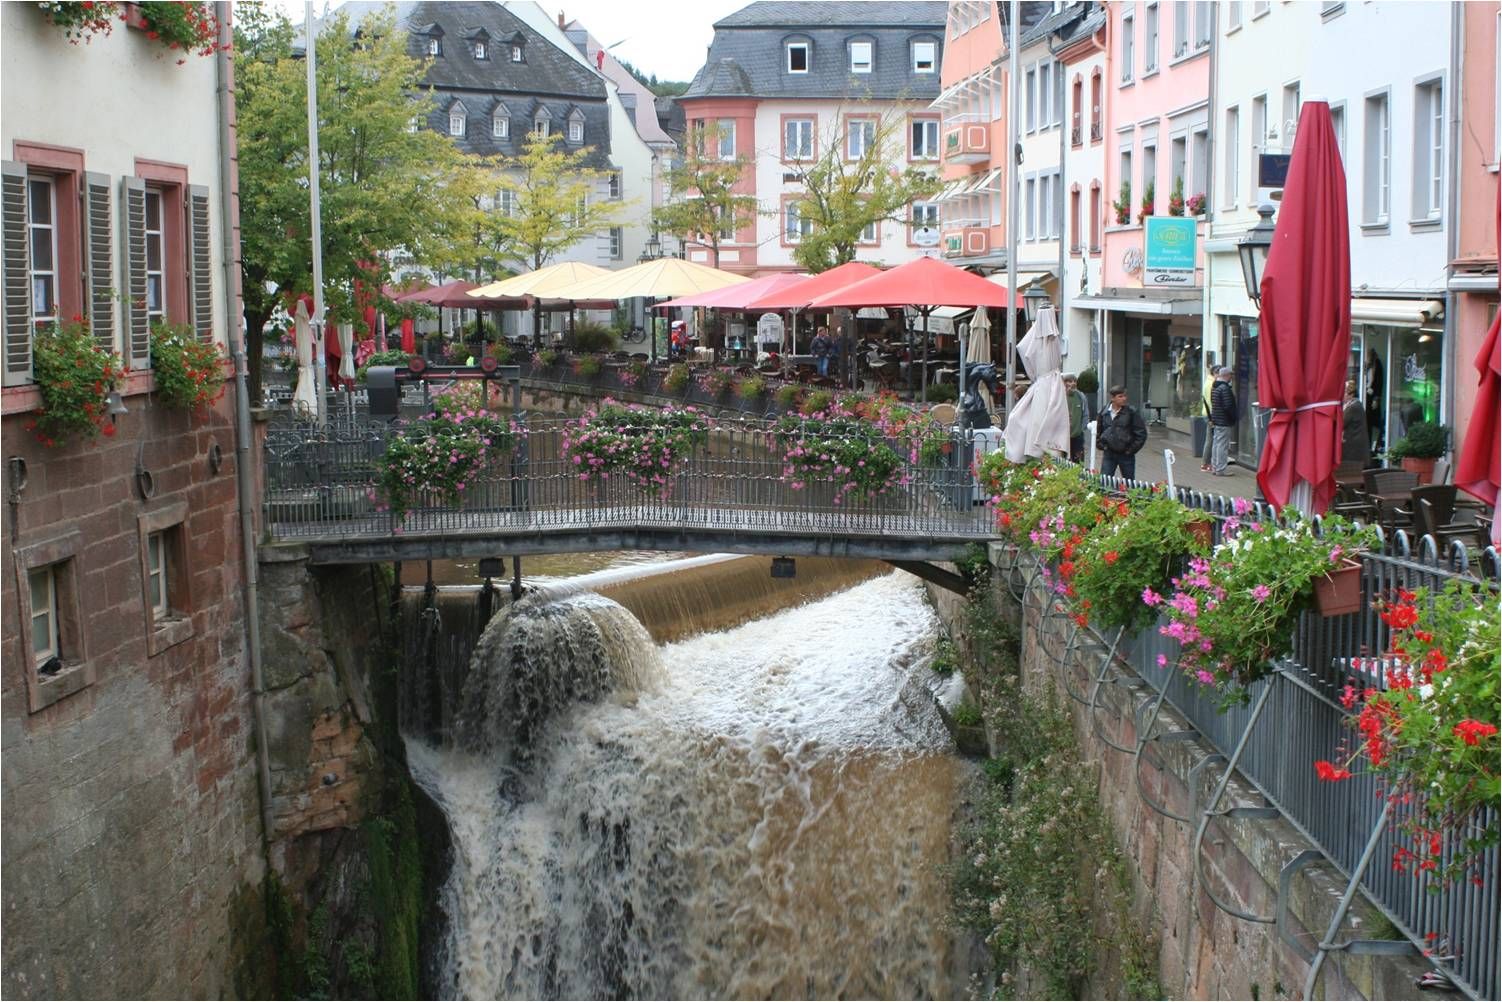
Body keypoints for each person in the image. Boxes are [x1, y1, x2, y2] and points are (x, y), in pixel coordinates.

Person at [1096, 384, 1148, 480]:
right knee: (1104, 481)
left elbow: (1141, 433)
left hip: (1126, 454)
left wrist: (1130, 450)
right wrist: (1100, 444)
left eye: (1125, 396)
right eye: (1120, 396)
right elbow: (1099, 429)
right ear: (1112, 398)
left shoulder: (1131, 412)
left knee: (1129, 483)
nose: (1124, 398)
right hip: (1109, 453)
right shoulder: (1104, 412)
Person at [1208, 366, 1237, 476]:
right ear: (1227, 375)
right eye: (1231, 375)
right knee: (1222, 445)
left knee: (1216, 443)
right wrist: (1233, 417)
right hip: (1224, 420)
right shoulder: (1224, 388)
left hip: (1217, 419)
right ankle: (1221, 469)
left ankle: (1215, 467)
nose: (1231, 377)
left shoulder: (1215, 387)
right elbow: (1228, 405)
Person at [1341, 378, 1369, 467]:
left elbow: (1341, 423)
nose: (1342, 396)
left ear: (1351, 394)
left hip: (1353, 449)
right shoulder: (1355, 405)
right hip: (1355, 449)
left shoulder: (1353, 407)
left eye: (1344, 393)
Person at [1062, 372, 1088, 463]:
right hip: (1062, 436)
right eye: (1069, 381)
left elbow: (1085, 414)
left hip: (1077, 436)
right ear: (1063, 383)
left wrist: (1081, 429)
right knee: (1062, 463)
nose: (1072, 383)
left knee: (1078, 462)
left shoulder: (1081, 396)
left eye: (1074, 381)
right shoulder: (1060, 396)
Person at [1200, 354, 1218, 471]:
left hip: (1206, 413)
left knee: (1209, 439)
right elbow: (1212, 401)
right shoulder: (1212, 384)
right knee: (1211, 440)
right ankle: (1206, 463)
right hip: (1211, 414)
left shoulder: (1207, 382)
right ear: (1215, 373)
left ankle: (1205, 463)